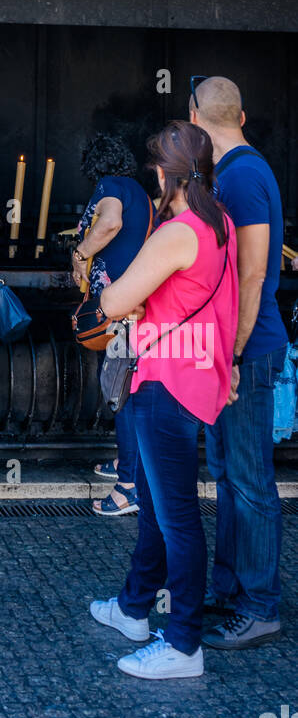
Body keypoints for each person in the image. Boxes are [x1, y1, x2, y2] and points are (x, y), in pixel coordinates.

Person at [89, 121, 238, 680]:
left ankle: (183, 645)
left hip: (165, 383)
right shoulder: (220, 222)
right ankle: (133, 607)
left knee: (176, 518)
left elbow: (116, 299)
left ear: (161, 174)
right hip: (194, 376)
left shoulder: (178, 230)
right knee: (155, 506)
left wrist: (110, 291)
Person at [190, 75, 288, 649]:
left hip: (245, 353)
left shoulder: (244, 177)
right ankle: (231, 593)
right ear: (241, 117)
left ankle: (258, 605)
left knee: (249, 481)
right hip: (235, 352)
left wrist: (228, 356)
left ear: (196, 120)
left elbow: (251, 276)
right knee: (228, 476)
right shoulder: (236, 173)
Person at [72, 134, 153, 518]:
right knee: (130, 383)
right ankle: (127, 463)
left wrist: (79, 253)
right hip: (138, 301)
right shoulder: (137, 190)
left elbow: (109, 225)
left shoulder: (110, 187)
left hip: (119, 308)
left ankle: (128, 489)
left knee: (122, 390)